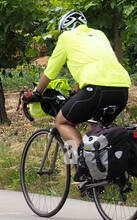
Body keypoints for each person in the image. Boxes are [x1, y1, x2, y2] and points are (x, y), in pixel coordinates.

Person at [27, 10, 131, 183]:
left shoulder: (66, 37)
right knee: (95, 129)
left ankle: (81, 167)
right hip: (121, 89)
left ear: (64, 28)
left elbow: (50, 72)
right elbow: (94, 63)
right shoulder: (99, 34)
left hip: (96, 90)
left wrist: (36, 93)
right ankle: (98, 179)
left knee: (62, 122)